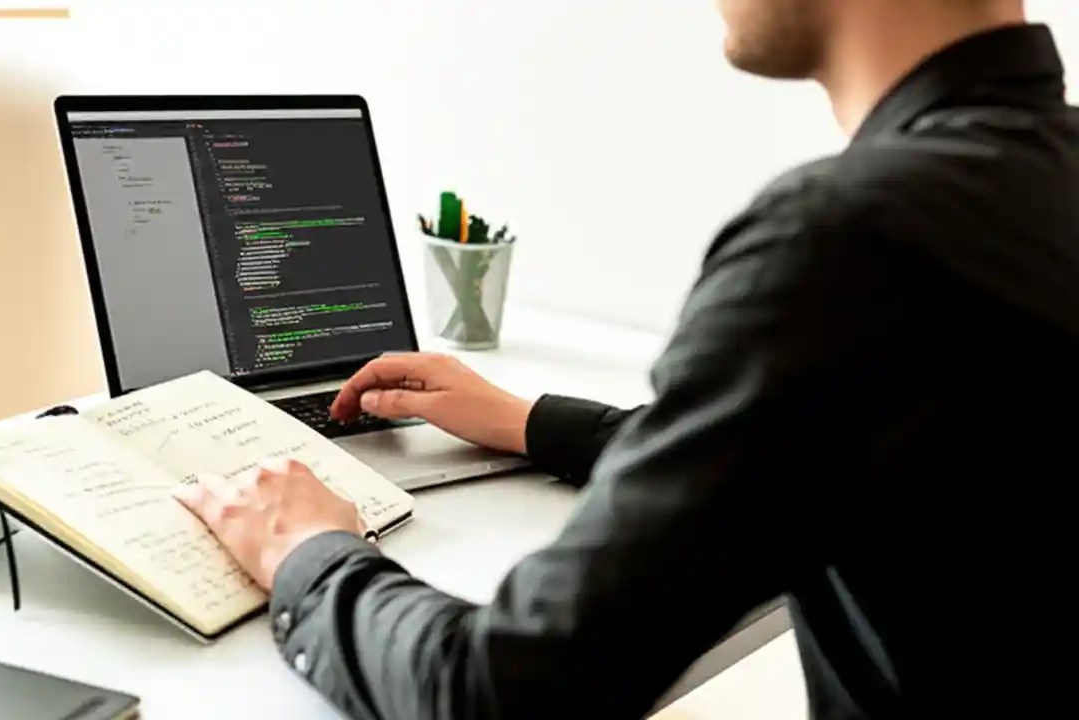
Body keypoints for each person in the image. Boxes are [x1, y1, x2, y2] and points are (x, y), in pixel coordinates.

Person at [174, 1, 1079, 717]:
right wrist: (531, 422)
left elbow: (498, 693)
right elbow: (851, 443)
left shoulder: (846, 238)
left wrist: (306, 551)